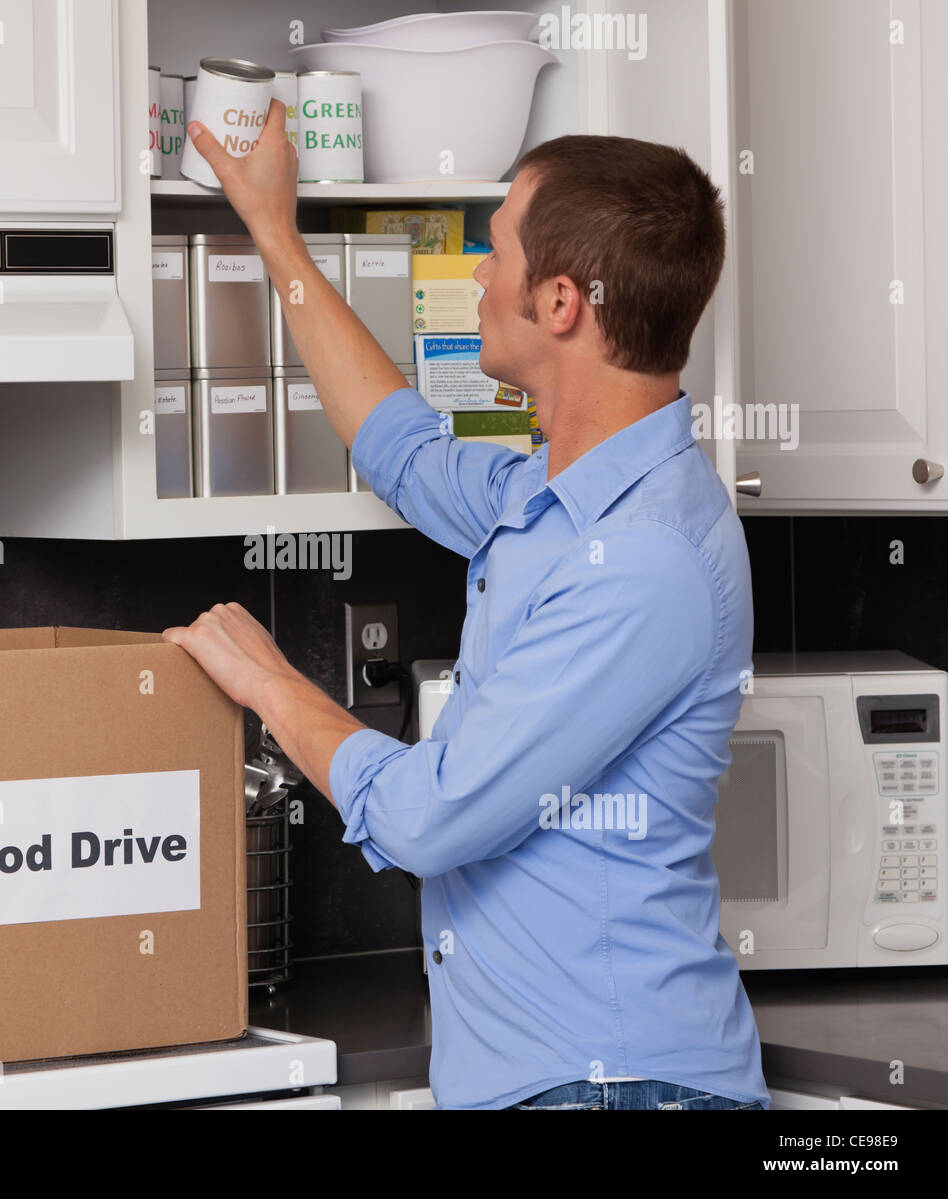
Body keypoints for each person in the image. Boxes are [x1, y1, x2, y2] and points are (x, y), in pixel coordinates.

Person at [162, 99, 769, 1112]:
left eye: (495, 253)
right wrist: (272, 227)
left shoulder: (644, 559)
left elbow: (430, 817)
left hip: (615, 1087)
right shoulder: (546, 498)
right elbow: (399, 448)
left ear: (563, 301)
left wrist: (265, 681)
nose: (479, 278)